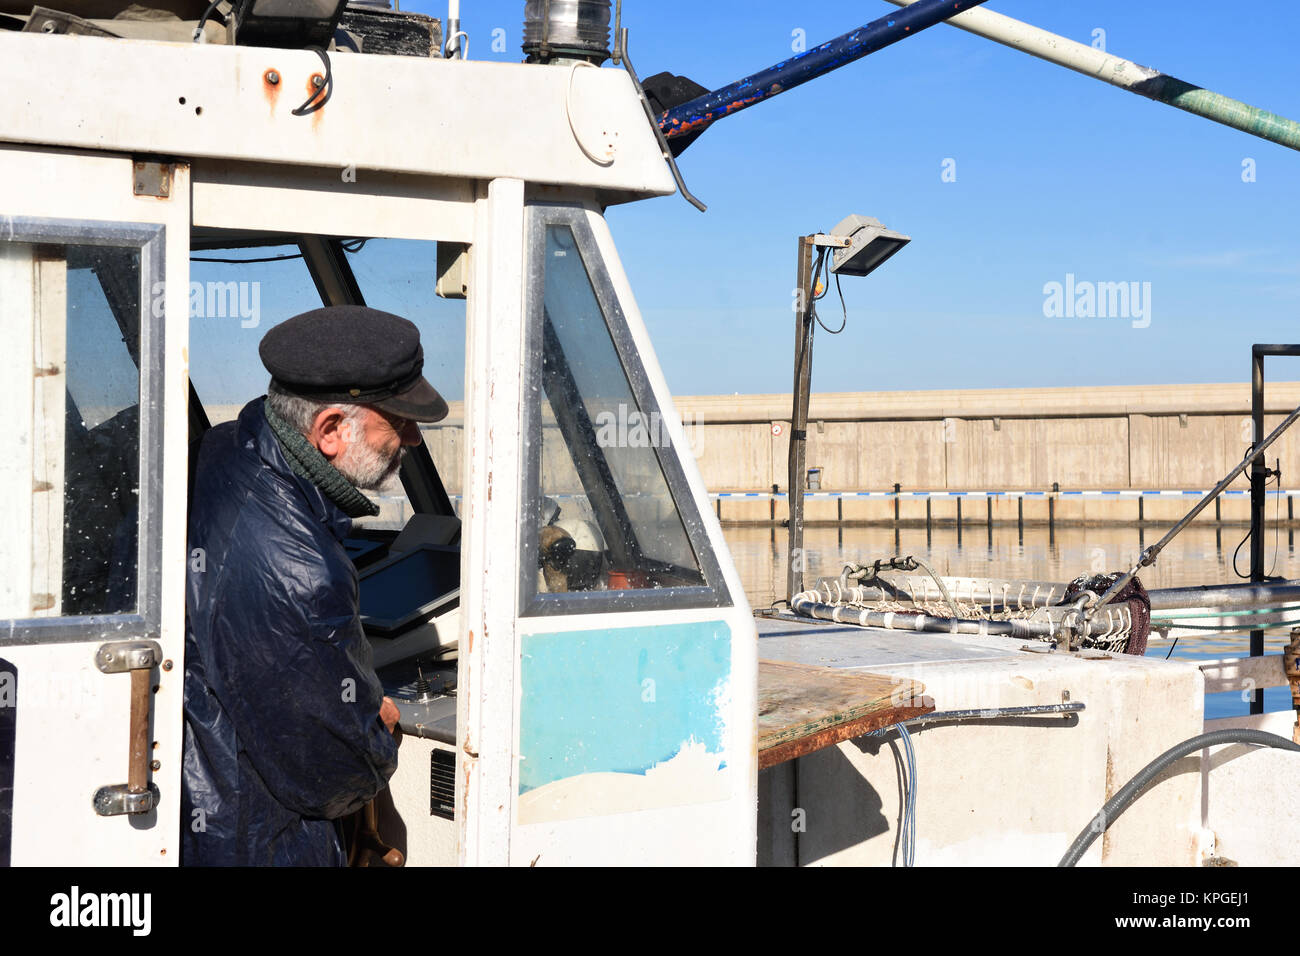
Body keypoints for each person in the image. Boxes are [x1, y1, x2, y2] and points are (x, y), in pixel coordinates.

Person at [181, 305, 448, 866]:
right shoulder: (301, 572)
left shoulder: (226, 447)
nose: (414, 439)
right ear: (330, 430)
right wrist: (377, 728)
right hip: (250, 842)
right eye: (399, 421)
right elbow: (332, 773)